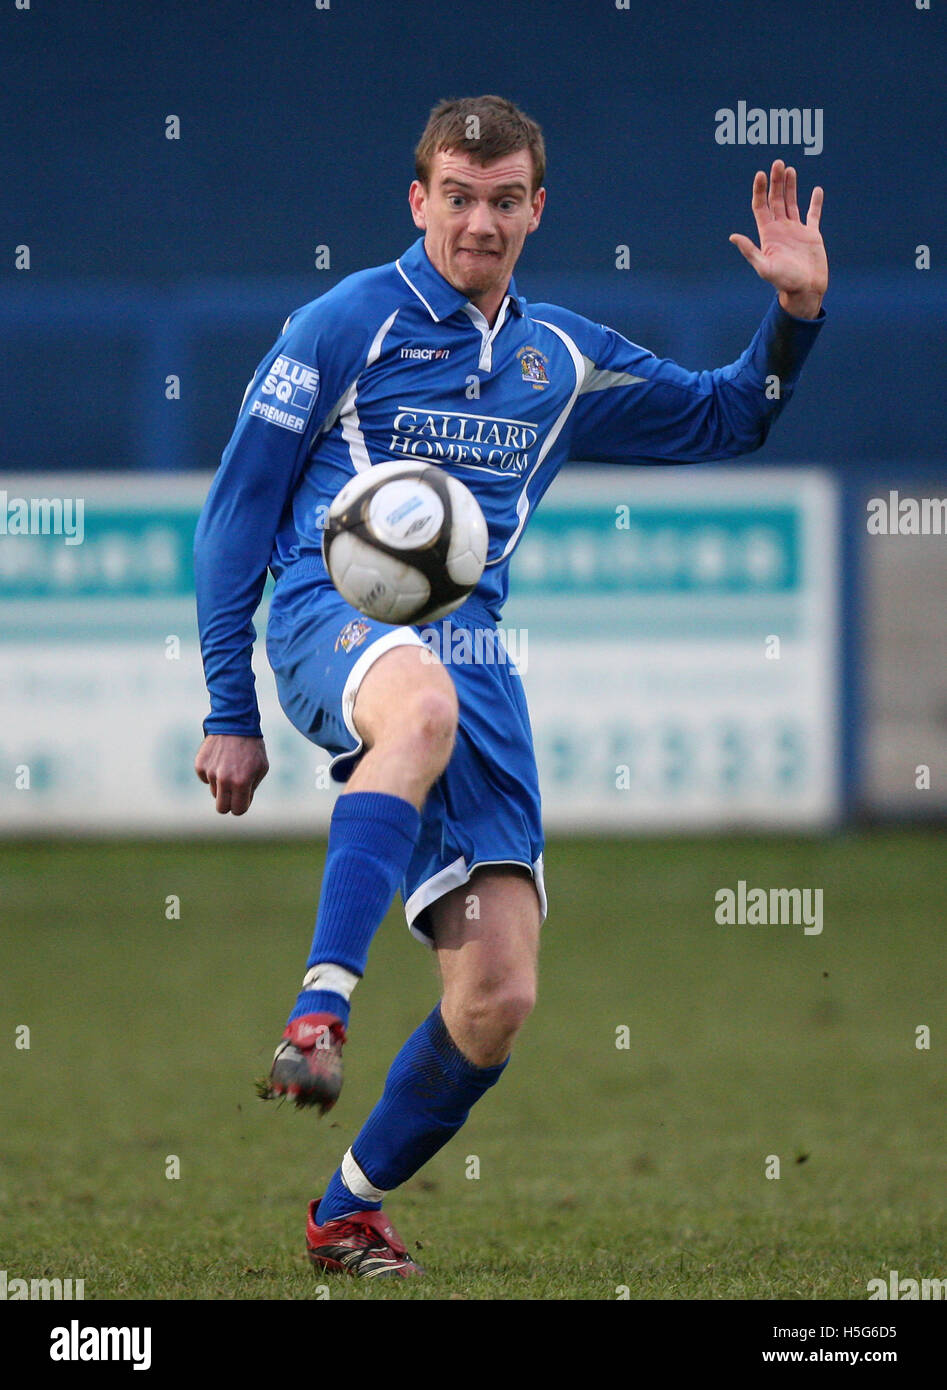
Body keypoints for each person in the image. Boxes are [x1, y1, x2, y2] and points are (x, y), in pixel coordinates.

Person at [193, 94, 827, 1279]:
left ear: (535, 208)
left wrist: (792, 314)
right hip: (332, 614)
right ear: (418, 199)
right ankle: (316, 1011)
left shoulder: (557, 356)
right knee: (416, 702)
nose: (477, 220)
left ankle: (346, 1209)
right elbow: (233, 516)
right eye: (455, 195)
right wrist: (230, 706)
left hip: (473, 662)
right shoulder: (343, 326)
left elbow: (730, 417)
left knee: (496, 994)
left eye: (502, 200)